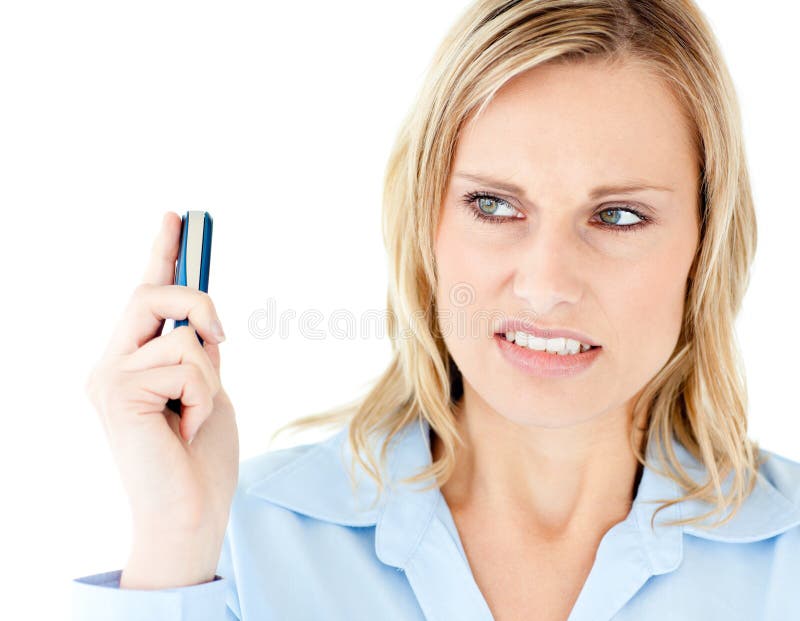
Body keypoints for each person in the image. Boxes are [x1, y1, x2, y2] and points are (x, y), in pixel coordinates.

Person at [72, 0, 800, 619]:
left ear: (707, 244)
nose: (545, 284)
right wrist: (174, 541)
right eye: (493, 204)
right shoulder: (244, 542)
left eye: (617, 216)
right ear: (426, 225)